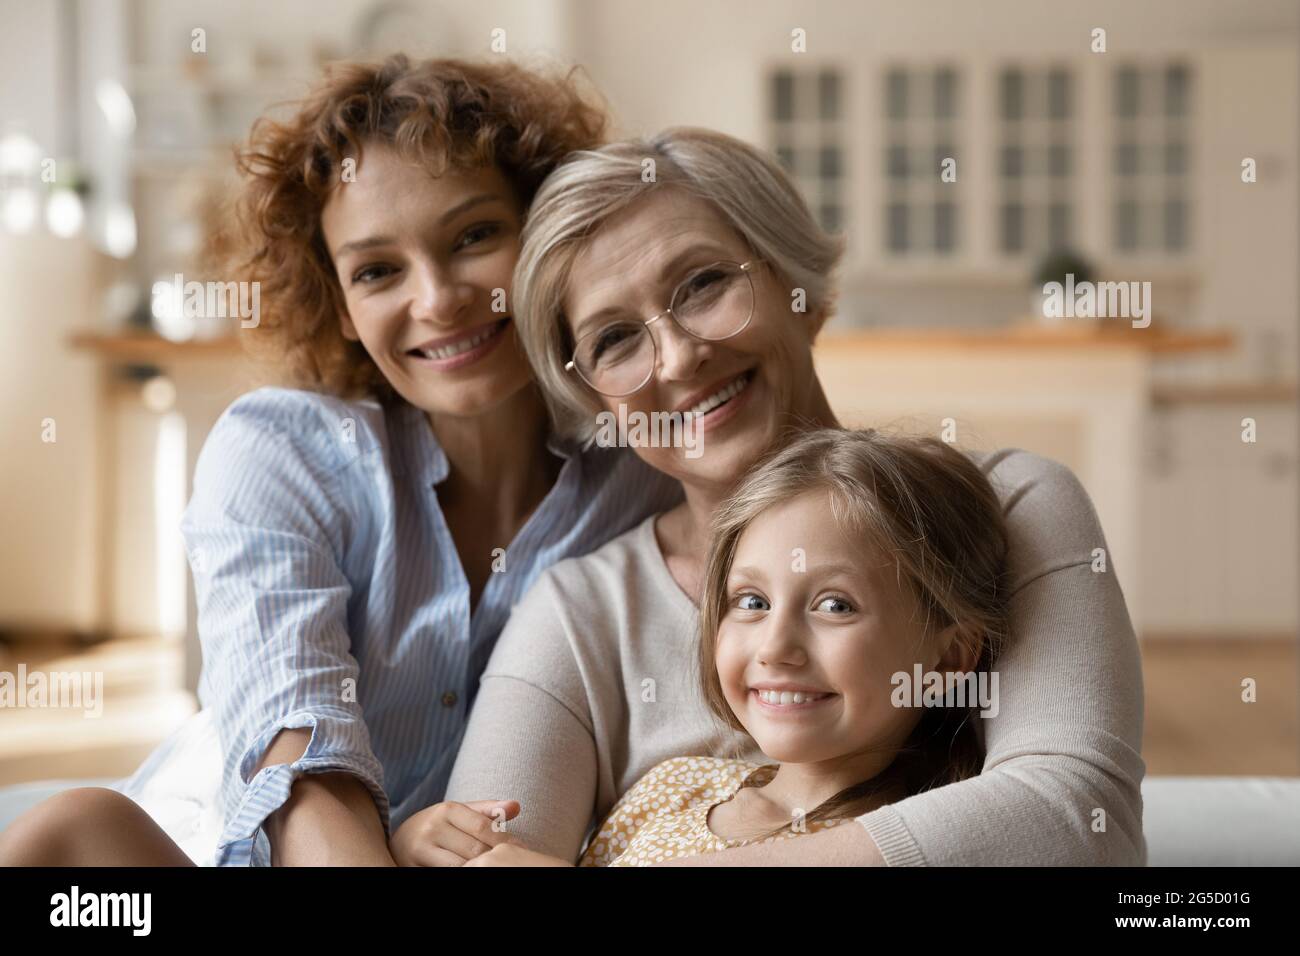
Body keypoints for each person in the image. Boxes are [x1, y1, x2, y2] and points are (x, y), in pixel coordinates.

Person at [0, 55, 680, 868]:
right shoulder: (282, 451)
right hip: (245, 848)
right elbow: (304, 753)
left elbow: (805, 474)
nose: (436, 300)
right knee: (67, 833)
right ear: (343, 306)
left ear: (546, 237)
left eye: (473, 236)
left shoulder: (644, 465)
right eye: (378, 271)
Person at [434, 127, 1146, 867]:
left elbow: (1078, 821)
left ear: (799, 289)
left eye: (704, 285)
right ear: (595, 400)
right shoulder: (581, 613)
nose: (679, 357)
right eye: (615, 339)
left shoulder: (1011, 505)